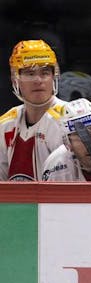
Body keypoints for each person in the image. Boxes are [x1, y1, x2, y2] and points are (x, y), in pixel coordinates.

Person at [1, 40, 68, 181]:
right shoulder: (5, 124)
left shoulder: (71, 119)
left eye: (45, 73)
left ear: (54, 76)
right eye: (30, 74)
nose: (38, 80)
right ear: (15, 79)